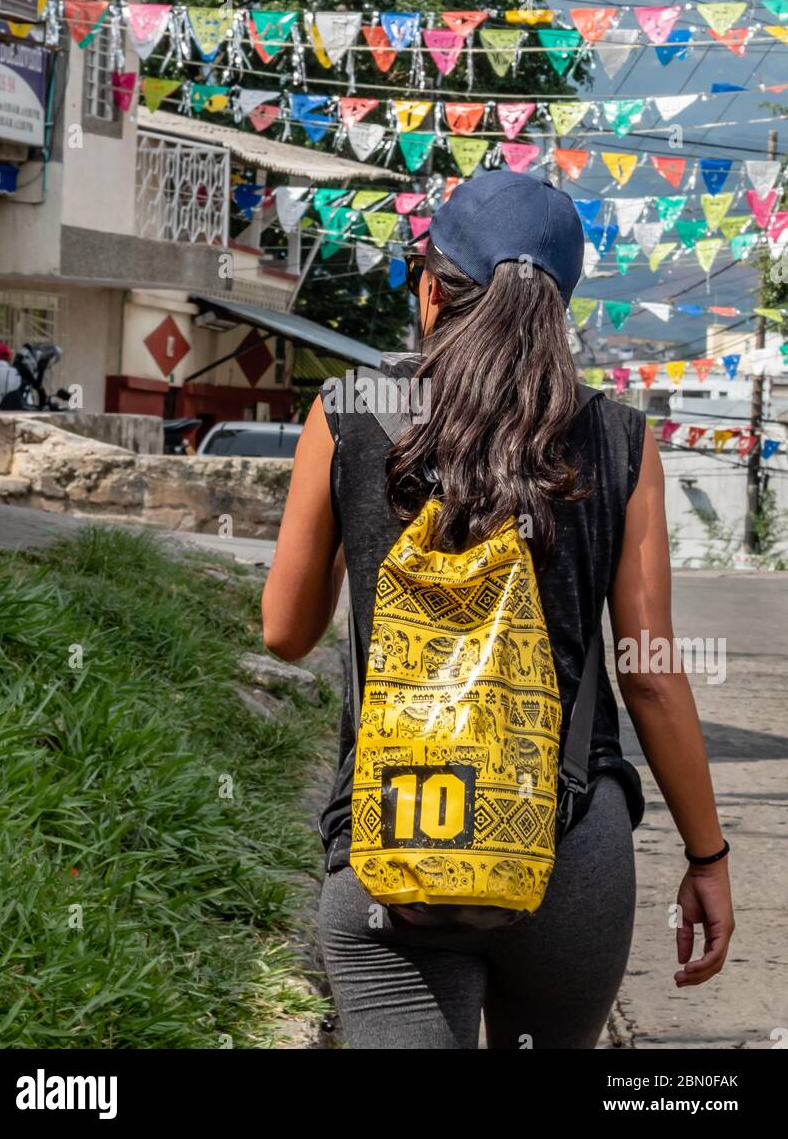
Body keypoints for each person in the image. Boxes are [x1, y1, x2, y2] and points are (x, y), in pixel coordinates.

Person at [261, 170, 734, 1051]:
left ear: (430, 286)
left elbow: (285, 634)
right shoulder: (618, 437)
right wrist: (708, 859)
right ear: (557, 310)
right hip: (566, 845)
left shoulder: (350, 413)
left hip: (393, 839)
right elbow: (652, 681)